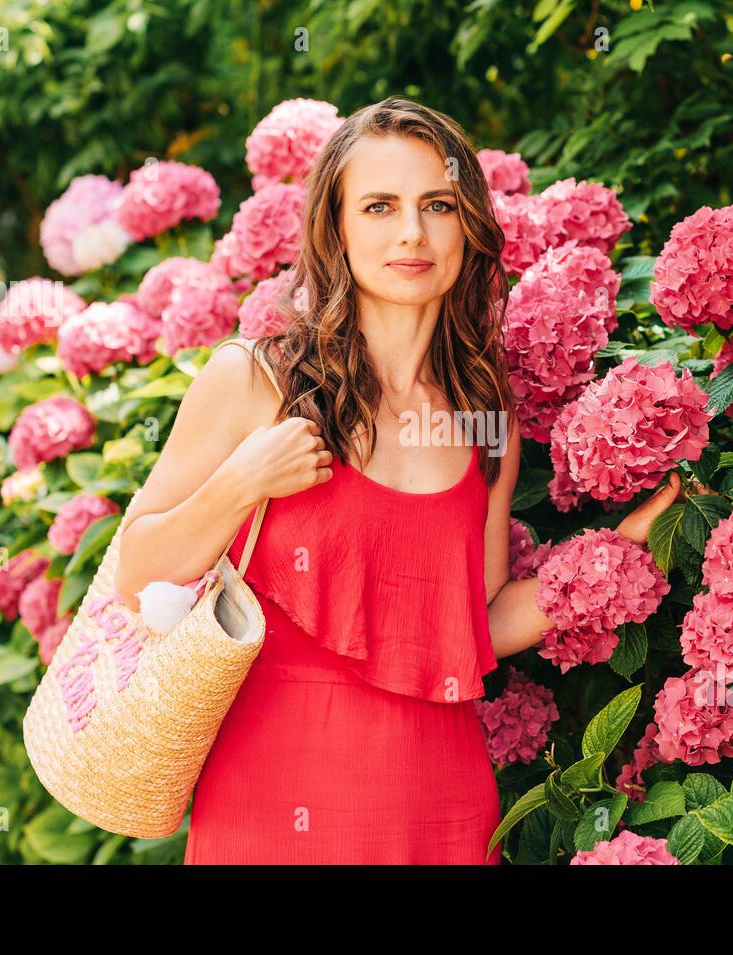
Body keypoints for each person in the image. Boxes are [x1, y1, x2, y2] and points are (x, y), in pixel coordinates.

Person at [113, 97, 682, 864]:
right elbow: (137, 574)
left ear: (467, 225)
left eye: (437, 205)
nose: (411, 233)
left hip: (438, 804)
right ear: (337, 229)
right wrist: (243, 479)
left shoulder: (487, 420)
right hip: (271, 800)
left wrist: (621, 549)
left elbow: (476, 616)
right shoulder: (253, 380)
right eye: (379, 206)